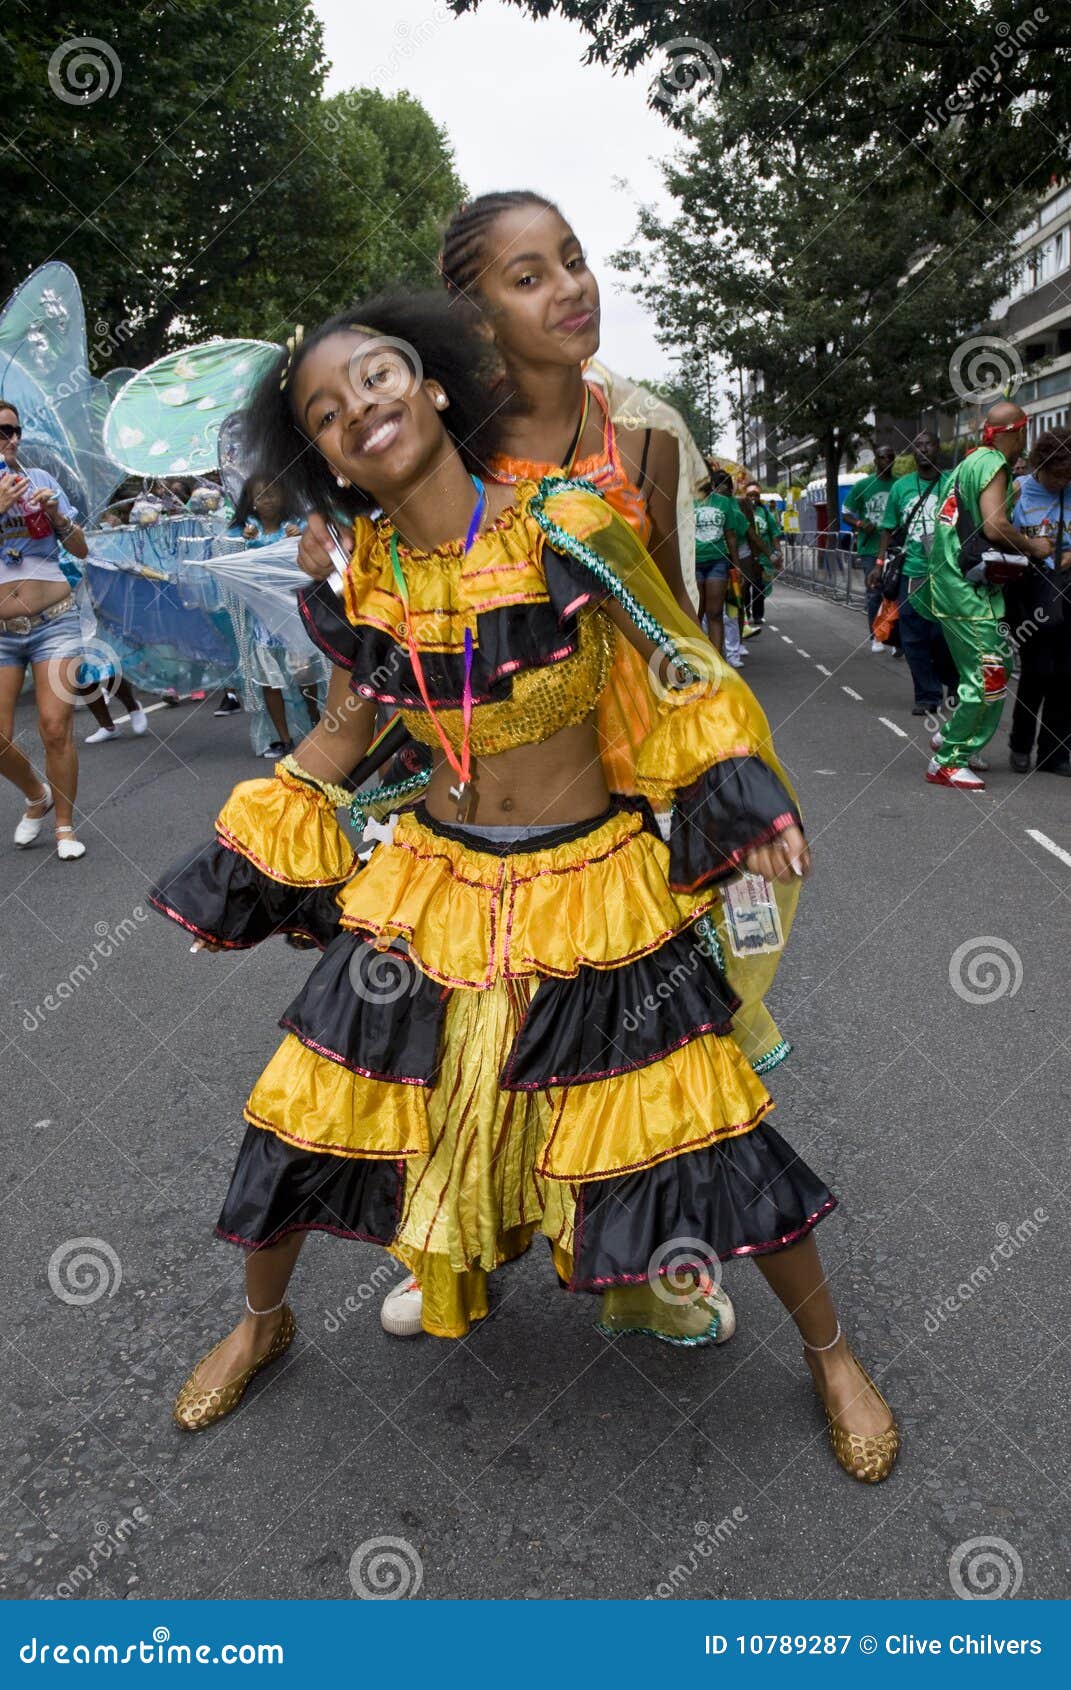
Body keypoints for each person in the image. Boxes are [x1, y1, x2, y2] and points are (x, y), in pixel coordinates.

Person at [149, 294, 898, 1484]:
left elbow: (674, 661)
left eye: (378, 379)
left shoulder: (568, 518)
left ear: (436, 385)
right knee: (307, 1103)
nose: (361, 411)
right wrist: (247, 865)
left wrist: (737, 798)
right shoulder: (375, 571)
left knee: (698, 1117)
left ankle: (835, 1356)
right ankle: (262, 1321)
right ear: (325, 458)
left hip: (590, 886)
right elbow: (349, 729)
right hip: (433, 890)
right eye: (327, 414)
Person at [297, 191, 700, 795]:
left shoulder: (647, 449)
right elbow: (399, 545)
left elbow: (677, 624)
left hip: (642, 767)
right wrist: (335, 522)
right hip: (495, 763)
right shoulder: (454, 445)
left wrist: (719, 760)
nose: (569, 288)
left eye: (575, 261)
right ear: (476, 318)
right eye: (529, 278)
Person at [921, 402, 1052, 790]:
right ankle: (947, 761)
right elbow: (995, 527)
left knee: (987, 672)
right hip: (966, 591)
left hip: (953, 585)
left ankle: (956, 737)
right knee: (989, 674)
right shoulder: (992, 463)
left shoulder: (968, 464)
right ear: (1019, 431)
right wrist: (1033, 545)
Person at [0, 401, 88, 859]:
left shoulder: (42, 481)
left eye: (14, 430)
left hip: (55, 620)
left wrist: (56, 516)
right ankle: (37, 794)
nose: (10, 439)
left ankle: (64, 826)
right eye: (1, 431)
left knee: (55, 727)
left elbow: (82, 548)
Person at [228, 476, 318, 758]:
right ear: (250, 501)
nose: (267, 499)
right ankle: (283, 738)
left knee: (305, 675)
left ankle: (318, 728)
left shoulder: (297, 527)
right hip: (262, 621)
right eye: (260, 494)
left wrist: (299, 538)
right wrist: (243, 545)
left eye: (272, 493)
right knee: (269, 680)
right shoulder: (242, 533)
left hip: (294, 615)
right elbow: (229, 562)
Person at [871, 432, 958, 719]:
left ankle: (953, 684)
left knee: (943, 635)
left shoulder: (951, 483)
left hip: (946, 573)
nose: (922, 450)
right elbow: (888, 527)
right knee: (913, 637)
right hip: (912, 572)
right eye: (917, 446)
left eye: (928, 444)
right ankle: (926, 696)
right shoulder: (901, 487)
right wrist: (880, 563)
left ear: (938, 449)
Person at [1006, 427, 1071, 776]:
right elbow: (998, 533)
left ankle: (1055, 752)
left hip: (1067, 589)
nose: (1062, 482)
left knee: (1066, 675)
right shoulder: (1018, 491)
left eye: (1068, 476)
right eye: (1057, 475)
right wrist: (1031, 550)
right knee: (1036, 673)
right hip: (1030, 593)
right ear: (1041, 465)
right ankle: (1020, 744)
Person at [844, 446, 897, 651]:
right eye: (883, 457)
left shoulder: (899, 484)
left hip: (895, 548)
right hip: (870, 549)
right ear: (876, 461)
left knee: (893, 592)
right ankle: (876, 636)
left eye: (890, 457)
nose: (887, 461)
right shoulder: (863, 486)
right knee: (874, 593)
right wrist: (859, 524)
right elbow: (846, 513)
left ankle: (894, 637)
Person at [694, 467, 748, 658]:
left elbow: (731, 536)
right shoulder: (686, 502)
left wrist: (737, 565)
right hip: (693, 564)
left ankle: (717, 661)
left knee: (715, 612)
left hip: (718, 562)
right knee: (696, 615)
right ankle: (699, 658)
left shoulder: (724, 503)